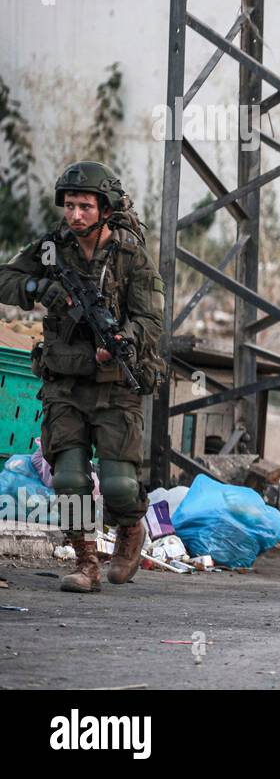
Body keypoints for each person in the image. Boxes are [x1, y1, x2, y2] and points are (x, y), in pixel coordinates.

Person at [0, 162, 163, 593]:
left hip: (114, 385)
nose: (75, 215)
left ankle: (130, 529)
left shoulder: (133, 258)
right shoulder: (53, 249)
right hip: (65, 382)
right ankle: (85, 560)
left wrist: (122, 340)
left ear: (105, 209)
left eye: (85, 206)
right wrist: (38, 290)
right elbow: (6, 278)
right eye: (70, 206)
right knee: (70, 478)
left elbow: (152, 320)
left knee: (119, 485)